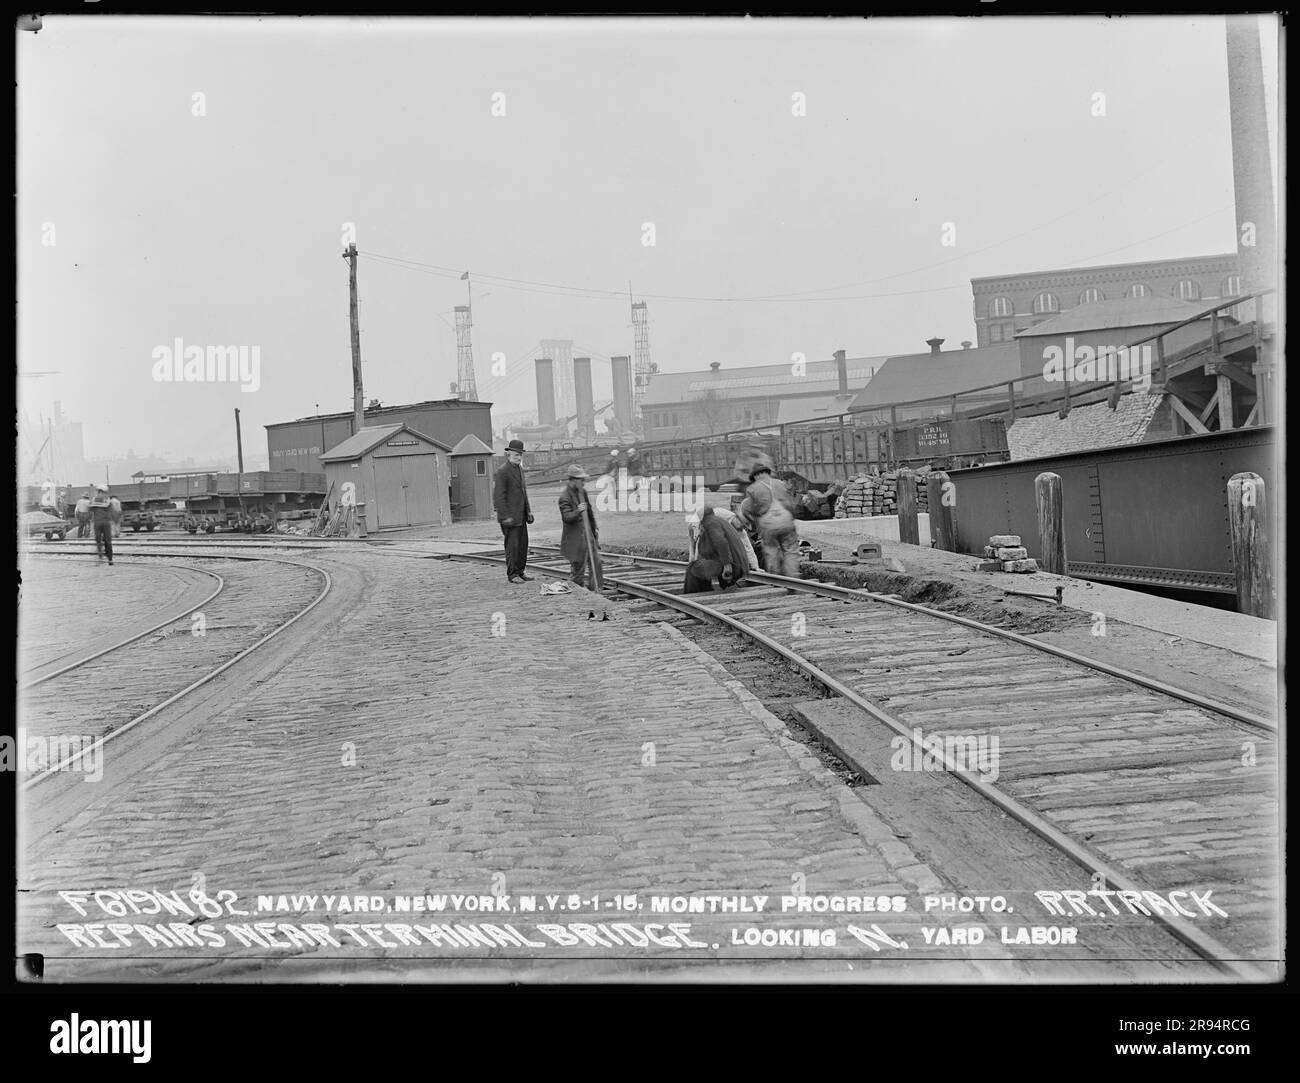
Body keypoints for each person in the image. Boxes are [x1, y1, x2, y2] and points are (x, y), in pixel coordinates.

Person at [738, 456, 800, 579]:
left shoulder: (753, 488)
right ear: (767, 473)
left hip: (768, 524)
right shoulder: (781, 484)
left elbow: (748, 509)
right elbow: (792, 504)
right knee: (791, 550)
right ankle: (793, 577)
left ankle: (775, 577)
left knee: (771, 550)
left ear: (755, 476)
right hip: (787, 521)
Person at [493, 439, 534, 584]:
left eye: (520, 454)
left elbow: (523, 492)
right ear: (508, 454)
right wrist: (505, 516)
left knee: (523, 546)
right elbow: (498, 497)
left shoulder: (519, 469)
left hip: (521, 516)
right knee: (512, 547)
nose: (519, 457)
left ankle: (520, 571)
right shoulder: (502, 471)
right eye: (516, 454)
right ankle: (512, 574)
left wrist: (528, 511)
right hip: (509, 518)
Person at [683, 506, 751, 593]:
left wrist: (727, 565)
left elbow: (721, 542)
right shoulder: (719, 521)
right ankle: (705, 592)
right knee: (701, 566)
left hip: (732, 565)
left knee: (693, 569)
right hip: (737, 564)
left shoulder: (710, 523)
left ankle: (692, 597)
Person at [557, 463, 598, 587]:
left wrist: (594, 528)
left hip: (587, 536)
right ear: (573, 480)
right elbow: (567, 518)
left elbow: (589, 511)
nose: (584, 482)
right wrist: (578, 510)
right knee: (578, 571)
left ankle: (594, 591)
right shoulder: (564, 497)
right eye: (581, 480)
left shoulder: (582, 492)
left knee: (595, 565)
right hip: (575, 541)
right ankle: (578, 592)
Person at [89, 485, 114, 566]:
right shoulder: (107, 500)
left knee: (98, 540)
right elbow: (111, 509)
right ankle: (110, 559)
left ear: (98, 491)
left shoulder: (93, 500)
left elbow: (90, 509)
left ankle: (100, 557)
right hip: (106, 523)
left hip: (97, 523)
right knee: (108, 541)